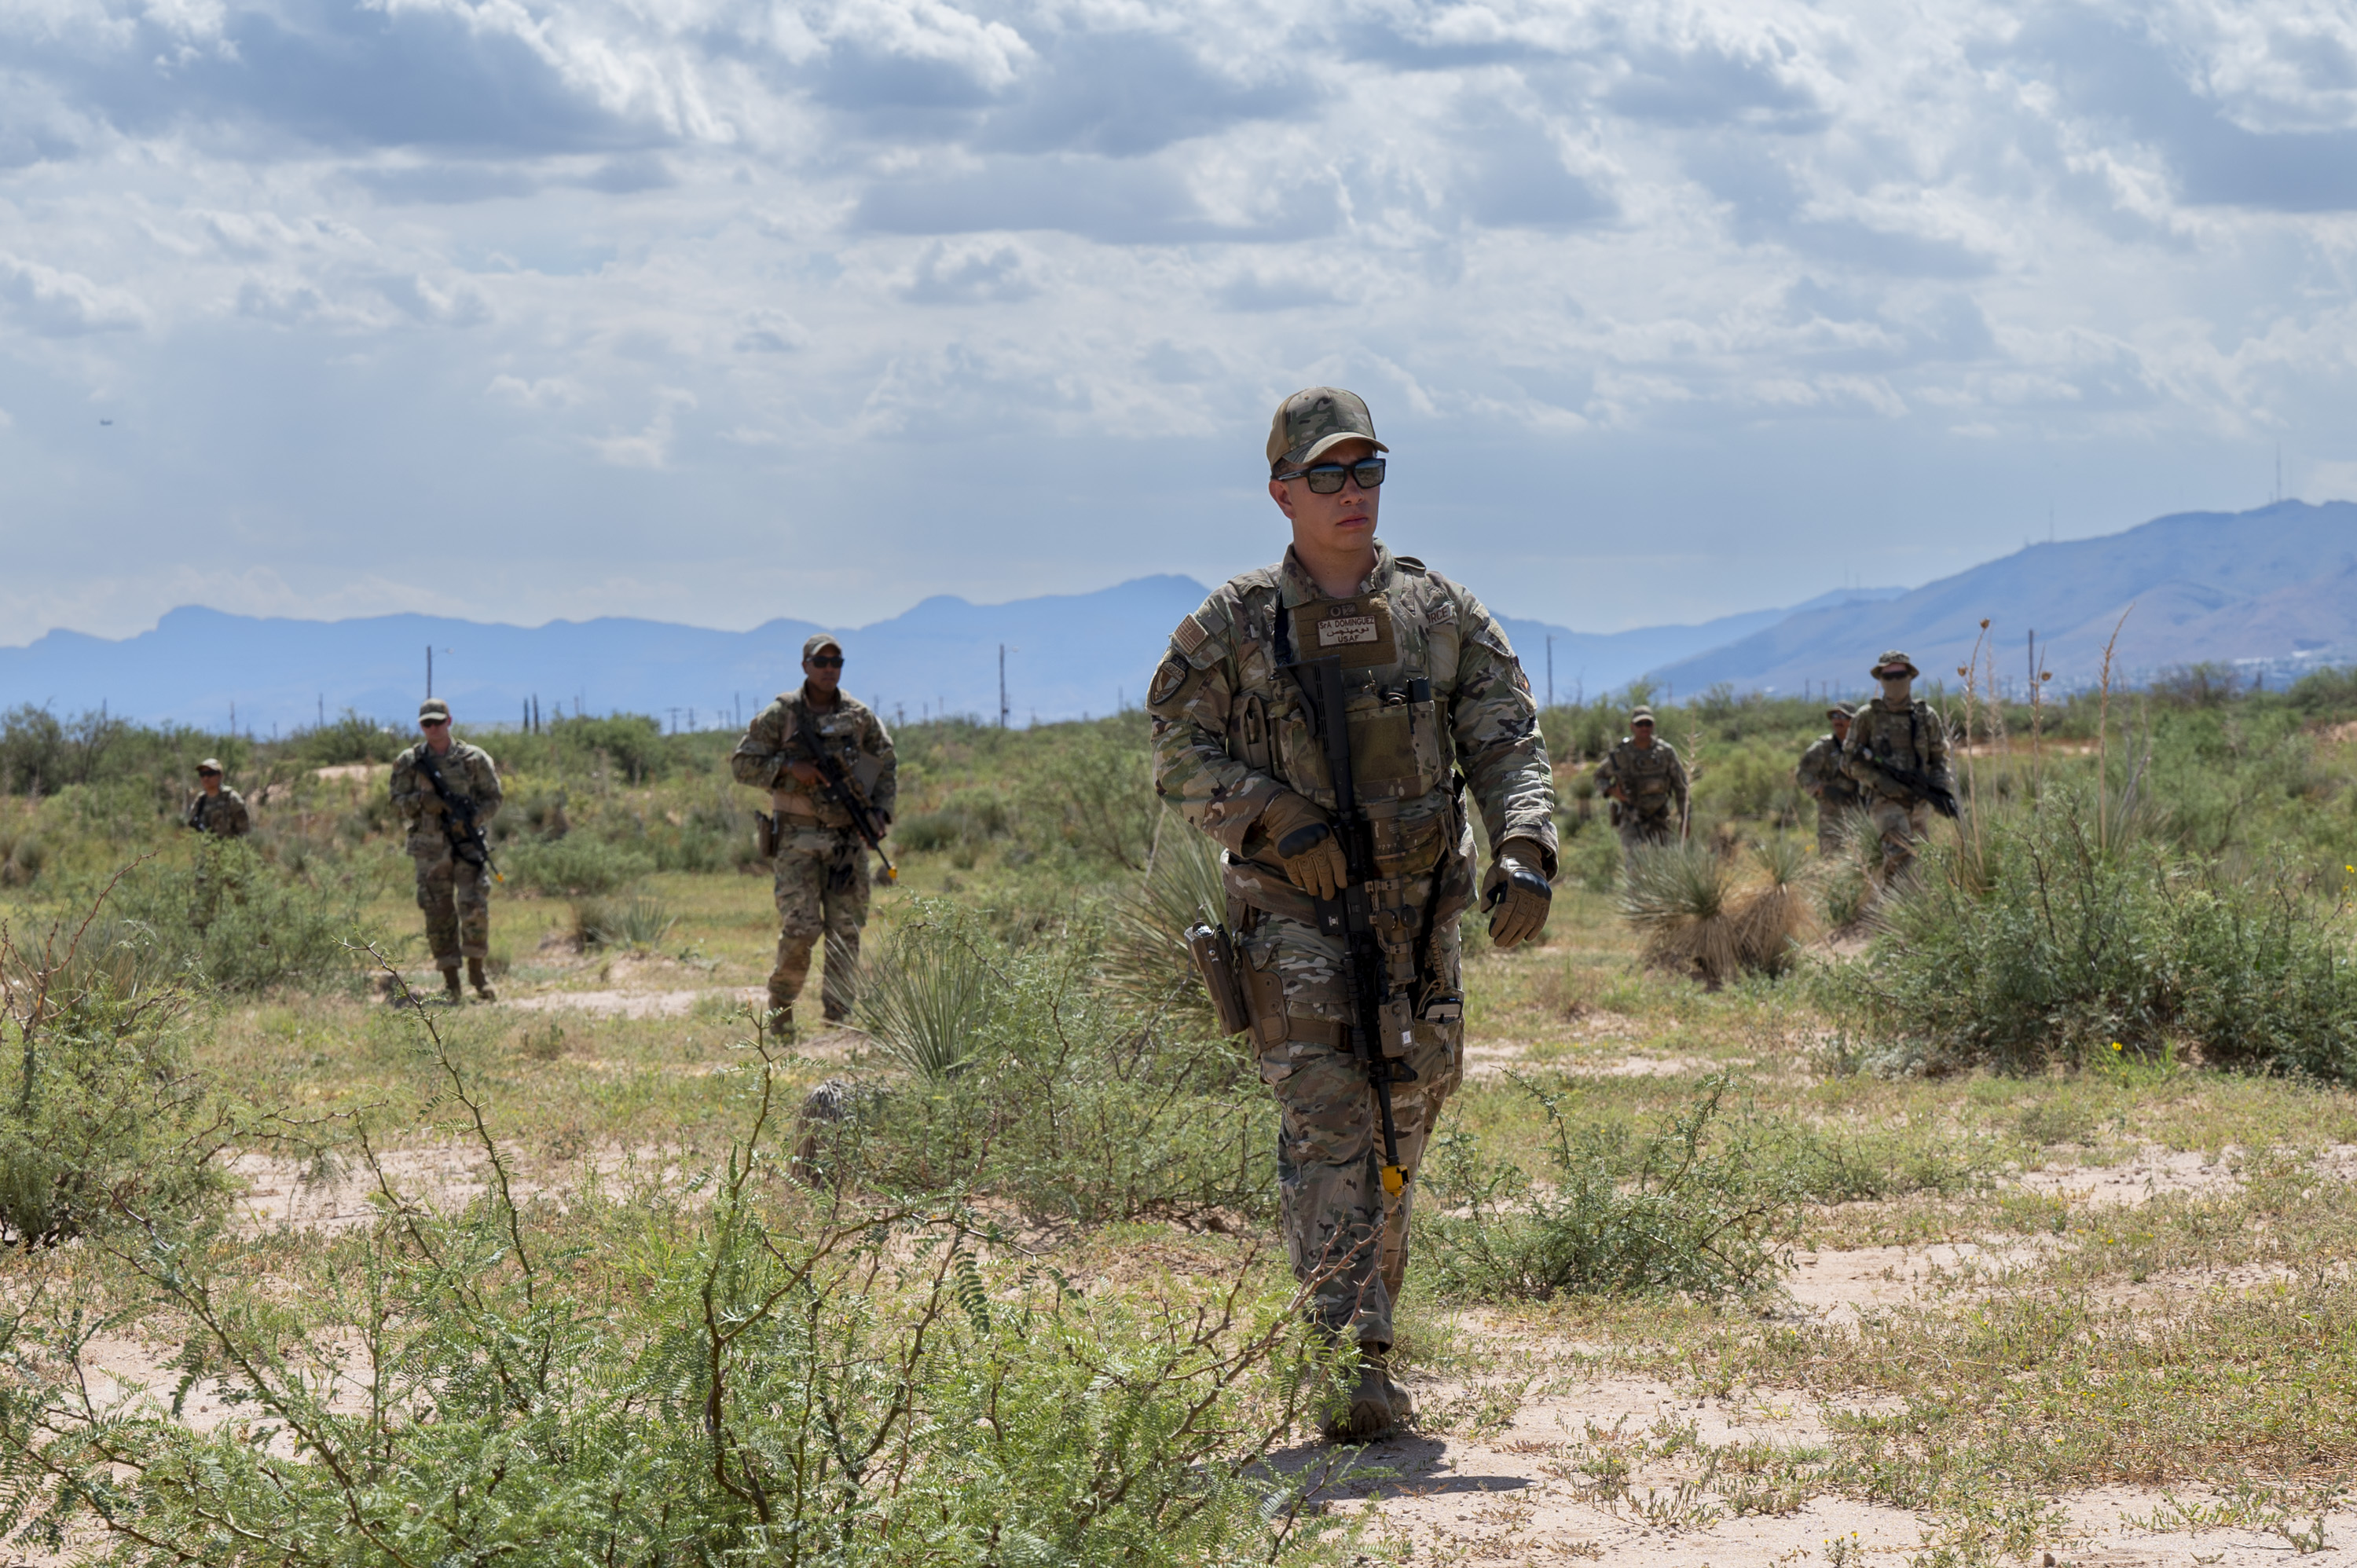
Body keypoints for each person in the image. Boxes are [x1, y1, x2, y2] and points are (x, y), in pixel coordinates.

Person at [1149, 386, 1557, 1442]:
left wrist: (1523, 845)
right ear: (1282, 491)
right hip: (1296, 923)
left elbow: (1509, 738)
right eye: (1325, 475)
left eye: (1366, 471)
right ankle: (1352, 1359)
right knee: (1332, 1123)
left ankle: (1361, 1331)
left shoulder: (1438, 615)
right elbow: (1180, 754)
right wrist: (1275, 815)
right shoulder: (1234, 624)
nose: (1350, 494)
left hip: (1417, 922)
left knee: (1403, 1122)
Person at [731, 635, 897, 1036]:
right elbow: (742, 764)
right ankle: (780, 1013)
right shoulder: (783, 714)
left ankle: (838, 1020)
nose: (829, 669)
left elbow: (886, 764)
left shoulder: (858, 716)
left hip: (846, 842)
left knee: (846, 932)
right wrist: (788, 769)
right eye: (821, 662)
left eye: (836, 662)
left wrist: (880, 811)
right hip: (796, 840)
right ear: (805, 666)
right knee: (802, 929)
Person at [390, 699, 504, 1003]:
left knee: (475, 907)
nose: (434, 728)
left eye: (438, 722)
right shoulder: (410, 762)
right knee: (438, 915)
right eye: (427, 723)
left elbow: (494, 797)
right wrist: (422, 801)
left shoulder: (473, 759)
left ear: (450, 721)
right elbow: (396, 800)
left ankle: (478, 975)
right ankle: (451, 983)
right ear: (420, 726)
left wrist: (471, 819)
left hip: (467, 846)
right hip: (429, 851)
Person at [1840, 650, 1953, 881]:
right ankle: (1893, 911)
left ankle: (1906, 909)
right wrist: (1880, 781)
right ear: (1880, 679)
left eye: (1899, 674)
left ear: (1910, 677)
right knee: (1900, 855)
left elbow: (1939, 758)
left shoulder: (1925, 716)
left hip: (1919, 799)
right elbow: (1848, 762)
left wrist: (1939, 791)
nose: (1894, 681)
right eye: (1888, 676)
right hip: (1884, 800)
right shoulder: (1868, 716)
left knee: (1921, 861)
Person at [1593, 708, 1687, 852]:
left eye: (1648, 723)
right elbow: (1599, 776)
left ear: (1653, 725)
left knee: (1662, 865)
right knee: (1634, 866)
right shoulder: (1621, 754)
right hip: (1631, 816)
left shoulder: (1666, 752)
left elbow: (1681, 786)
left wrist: (1686, 817)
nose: (1644, 727)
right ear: (1632, 726)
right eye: (1640, 724)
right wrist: (1612, 791)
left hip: (1661, 818)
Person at [1794, 703, 1862, 853]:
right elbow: (1802, 774)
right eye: (1834, 716)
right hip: (1832, 813)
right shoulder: (1823, 747)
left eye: (1843, 716)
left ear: (1853, 720)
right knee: (1832, 856)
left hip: (1860, 810)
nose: (1838, 720)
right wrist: (1822, 790)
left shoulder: (1862, 746)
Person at [184, 757, 251, 837]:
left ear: (220, 775)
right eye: (202, 774)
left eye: (210, 773)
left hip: (230, 848)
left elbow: (245, 831)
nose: (206, 778)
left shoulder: (231, 798)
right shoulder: (200, 800)